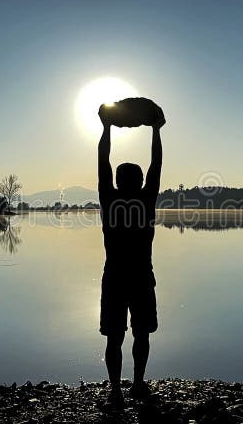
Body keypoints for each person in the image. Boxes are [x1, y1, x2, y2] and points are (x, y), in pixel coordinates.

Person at [97, 101, 164, 408]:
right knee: (140, 334)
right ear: (137, 182)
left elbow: (103, 162)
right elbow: (156, 166)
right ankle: (135, 383)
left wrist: (107, 128)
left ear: (119, 181)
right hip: (138, 275)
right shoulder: (146, 200)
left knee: (117, 336)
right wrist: (155, 131)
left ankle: (117, 389)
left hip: (116, 276)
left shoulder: (109, 199)